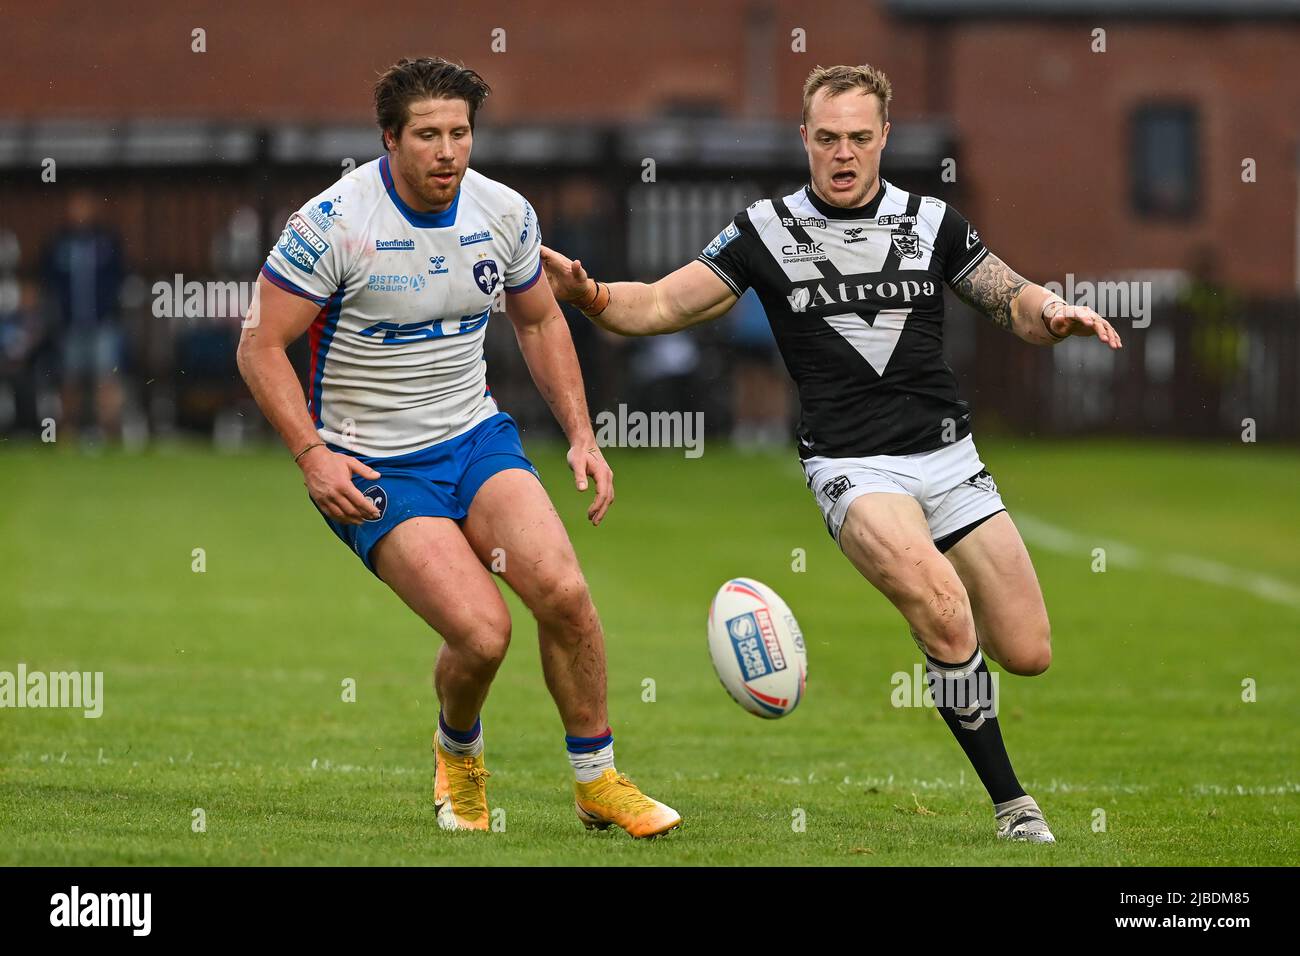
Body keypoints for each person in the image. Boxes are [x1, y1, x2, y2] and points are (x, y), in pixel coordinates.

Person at [541, 64, 1123, 843]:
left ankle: (934, 627)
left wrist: (1054, 311)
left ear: (883, 137)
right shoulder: (764, 231)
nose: (842, 154)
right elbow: (659, 304)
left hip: (952, 460)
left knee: (1026, 652)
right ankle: (1014, 807)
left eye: (858, 138)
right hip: (855, 468)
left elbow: (1009, 298)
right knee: (948, 612)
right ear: (804, 140)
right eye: (826, 139)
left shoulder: (931, 221)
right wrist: (591, 295)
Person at [237, 56, 679, 838]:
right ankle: (459, 751)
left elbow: (540, 319)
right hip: (373, 467)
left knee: (566, 596)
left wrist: (582, 435)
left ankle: (598, 780)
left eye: (461, 133)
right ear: (390, 140)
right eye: (429, 135)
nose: (448, 152)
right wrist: (313, 457)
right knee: (481, 634)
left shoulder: (503, 211)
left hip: (474, 439)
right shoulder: (335, 223)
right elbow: (259, 346)